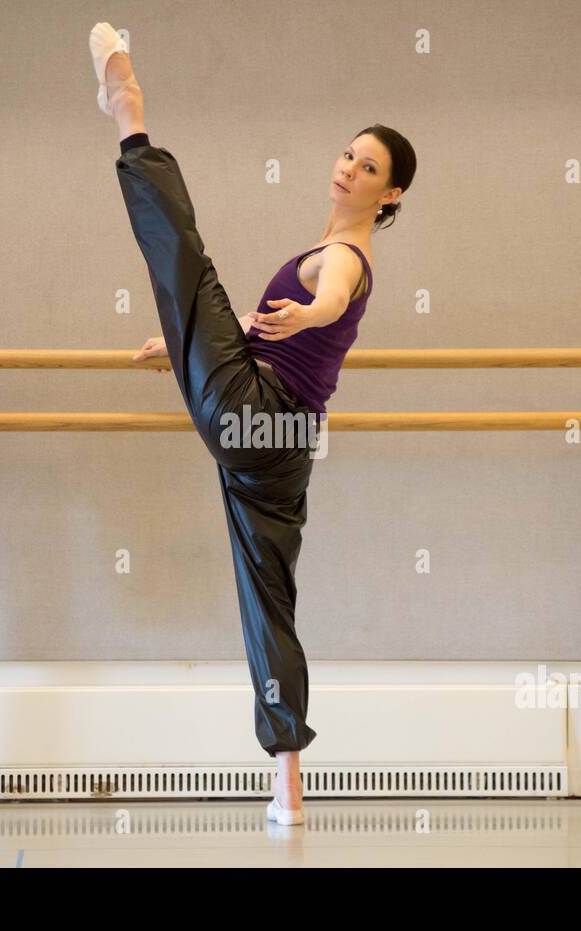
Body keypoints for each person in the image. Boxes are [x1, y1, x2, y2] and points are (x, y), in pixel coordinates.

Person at [89, 22, 415, 822]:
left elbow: (330, 296)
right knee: (268, 596)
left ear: (392, 193)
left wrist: (310, 314)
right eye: (348, 154)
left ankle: (128, 113)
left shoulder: (344, 258)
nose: (349, 168)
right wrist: (187, 346)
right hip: (285, 442)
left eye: (368, 167)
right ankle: (288, 781)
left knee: (188, 264)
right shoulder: (332, 243)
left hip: (254, 411)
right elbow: (270, 320)